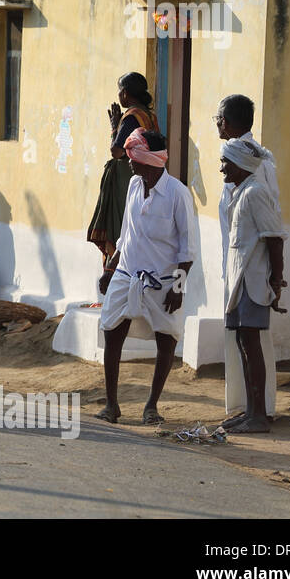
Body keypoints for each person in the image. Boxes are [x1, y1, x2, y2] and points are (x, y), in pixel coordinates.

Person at [95, 129, 194, 425]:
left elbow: (188, 248)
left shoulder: (178, 193)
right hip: (127, 273)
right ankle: (112, 404)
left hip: (163, 280)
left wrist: (177, 288)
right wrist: (110, 269)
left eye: (133, 157)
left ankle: (152, 406)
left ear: (149, 159)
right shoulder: (134, 186)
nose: (129, 162)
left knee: (167, 340)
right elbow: (126, 234)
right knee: (112, 331)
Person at [213, 94, 280, 421]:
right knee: (240, 340)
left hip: (253, 272)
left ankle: (259, 411)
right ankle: (246, 408)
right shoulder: (237, 162)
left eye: (219, 118)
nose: (222, 167)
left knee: (253, 343)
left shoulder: (256, 165)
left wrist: (274, 277)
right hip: (237, 269)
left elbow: (272, 228)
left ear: (228, 121)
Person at [88, 72, 158, 264]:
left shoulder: (132, 117)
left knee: (121, 227)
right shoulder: (148, 116)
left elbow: (117, 151)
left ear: (125, 93)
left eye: (120, 91)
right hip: (149, 177)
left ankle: (116, 267)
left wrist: (114, 128)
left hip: (127, 179)